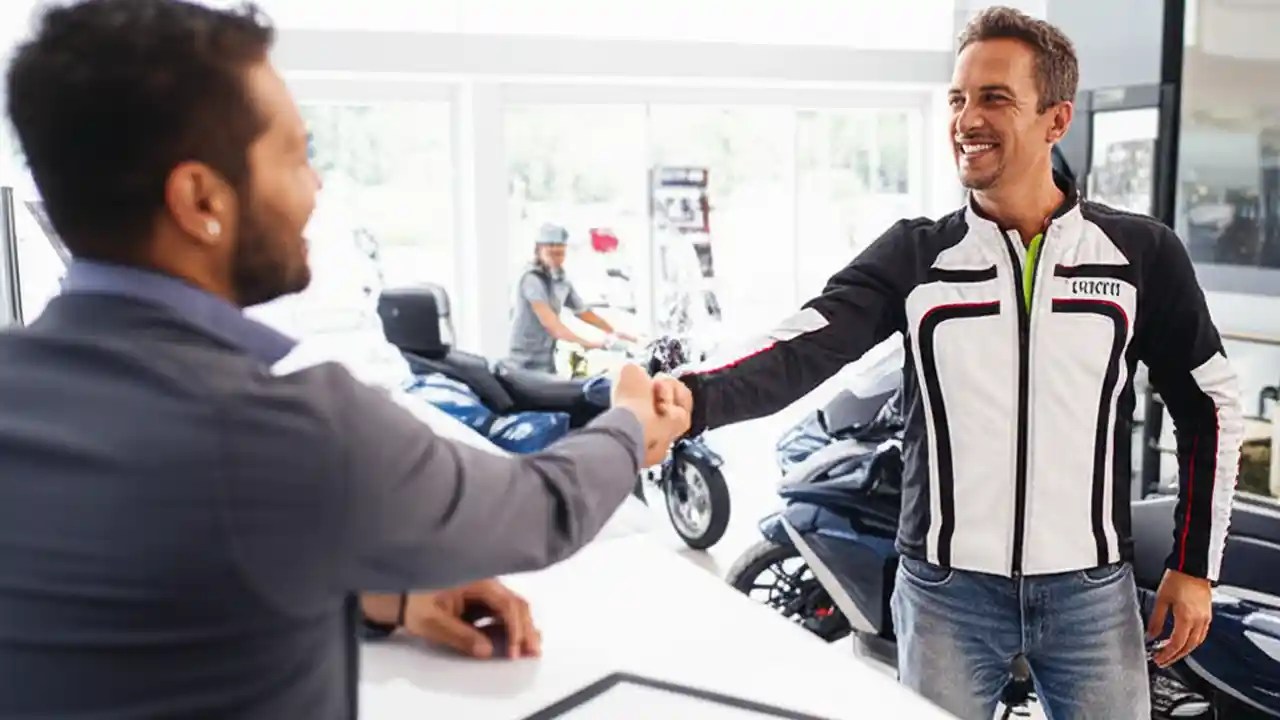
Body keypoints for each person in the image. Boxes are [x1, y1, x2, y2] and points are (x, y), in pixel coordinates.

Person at [0, 2, 688, 718]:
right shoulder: (287, 429)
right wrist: (631, 422)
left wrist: (381, 601)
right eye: (296, 156)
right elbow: (543, 509)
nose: (317, 187)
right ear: (201, 198)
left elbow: (143, 596)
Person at [659, 7, 1243, 719]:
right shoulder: (916, 255)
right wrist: (690, 399)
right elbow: (802, 345)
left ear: (1056, 120)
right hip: (944, 598)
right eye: (958, 100)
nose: (967, 119)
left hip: (1092, 596)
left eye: (994, 98)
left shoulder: (1139, 255)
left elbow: (1209, 404)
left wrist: (1194, 565)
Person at [508, 222, 636, 373]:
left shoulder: (561, 280)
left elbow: (583, 312)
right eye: (551, 253)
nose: (556, 259)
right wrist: (588, 344)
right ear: (538, 250)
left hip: (547, 357)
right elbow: (551, 324)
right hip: (524, 360)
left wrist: (612, 332)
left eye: (560, 254)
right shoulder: (532, 279)